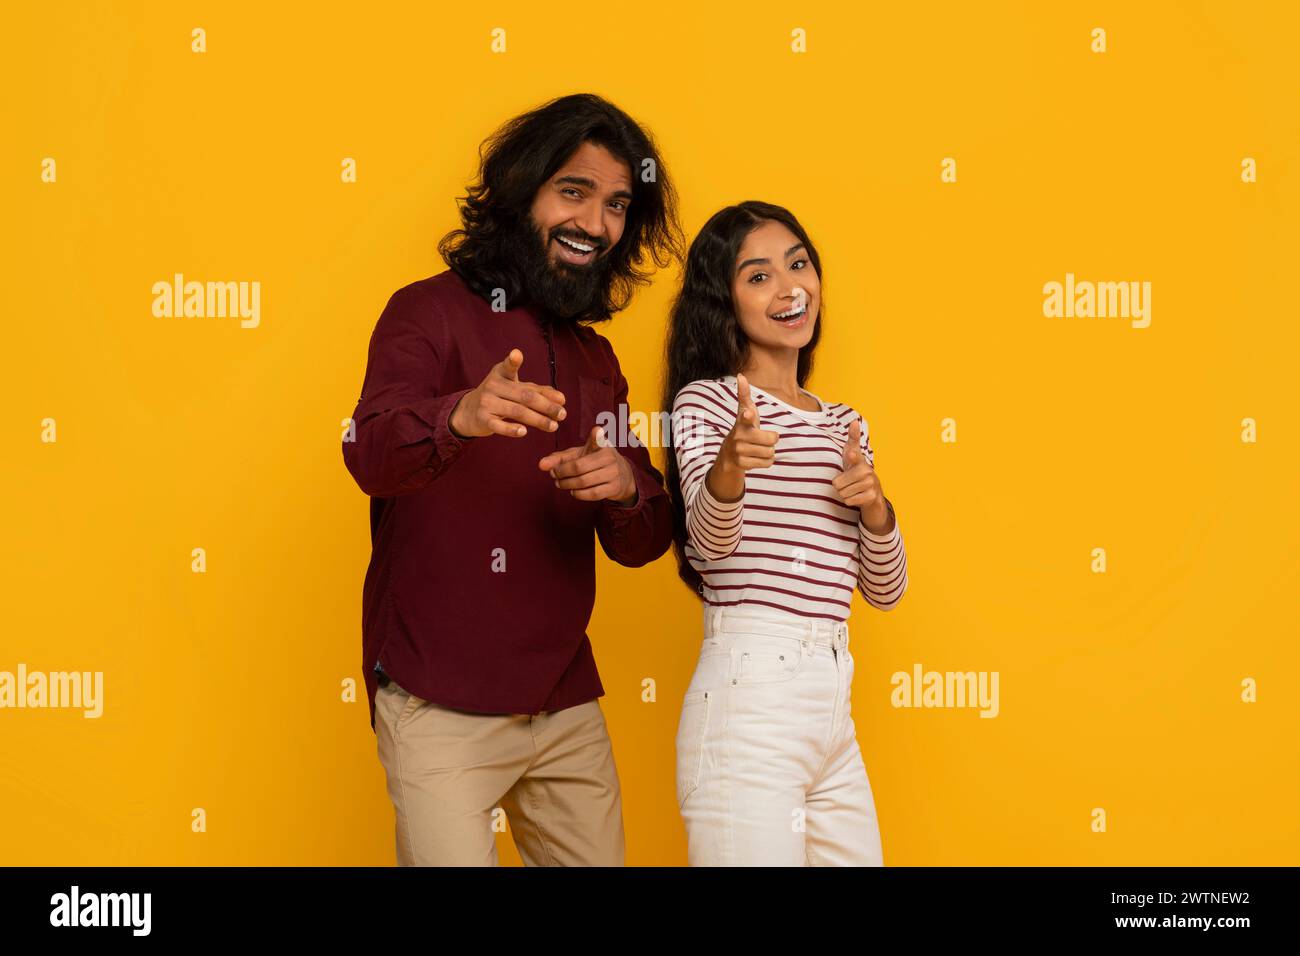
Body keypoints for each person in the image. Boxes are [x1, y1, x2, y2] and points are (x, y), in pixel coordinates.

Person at [342, 93, 683, 866]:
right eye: (574, 191)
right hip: (437, 701)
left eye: (617, 205)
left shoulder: (597, 360)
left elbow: (643, 542)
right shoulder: (423, 313)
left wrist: (627, 489)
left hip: (565, 707)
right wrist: (460, 415)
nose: (596, 224)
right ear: (520, 190)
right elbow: (368, 454)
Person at [662, 200, 909, 866]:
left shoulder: (844, 423)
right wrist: (729, 469)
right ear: (724, 300)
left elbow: (884, 592)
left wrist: (877, 512)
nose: (790, 286)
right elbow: (708, 551)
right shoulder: (707, 402)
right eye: (759, 275)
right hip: (751, 696)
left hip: (832, 697)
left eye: (798, 264)